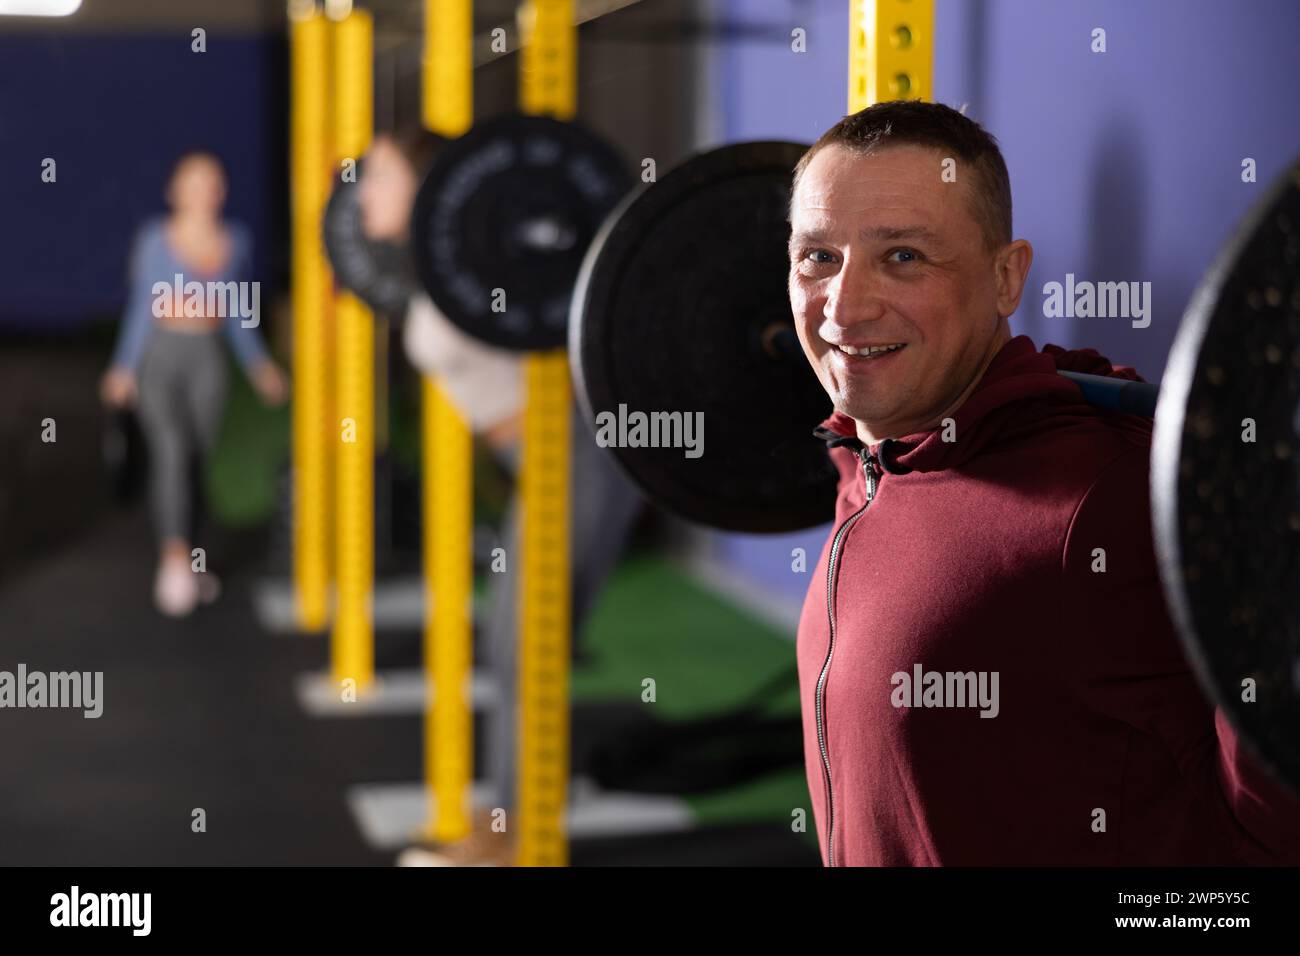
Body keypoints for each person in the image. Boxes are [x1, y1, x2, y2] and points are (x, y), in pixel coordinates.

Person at [787, 100, 1300, 865]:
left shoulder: (1109, 503)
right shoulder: (875, 457)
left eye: (903, 257)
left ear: (1005, 277)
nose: (845, 307)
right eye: (817, 256)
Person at [356, 127, 643, 866]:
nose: (365, 193)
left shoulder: (486, 261)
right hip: (538, 469)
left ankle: (519, 836)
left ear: (430, 185)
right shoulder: (436, 272)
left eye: (381, 175)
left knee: (528, 647)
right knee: (510, 644)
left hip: (582, 453)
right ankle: (508, 817)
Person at [100, 151, 287, 618]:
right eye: (195, 181)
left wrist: (259, 365)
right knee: (170, 450)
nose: (205, 191)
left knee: (197, 459)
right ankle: (173, 560)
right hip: (161, 357)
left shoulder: (235, 241)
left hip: (208, 359)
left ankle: (191, 557)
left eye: (213, 182)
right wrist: (124, 366)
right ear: (175, 190)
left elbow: (238, 314)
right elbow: (143, 308)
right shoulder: (154, 241)